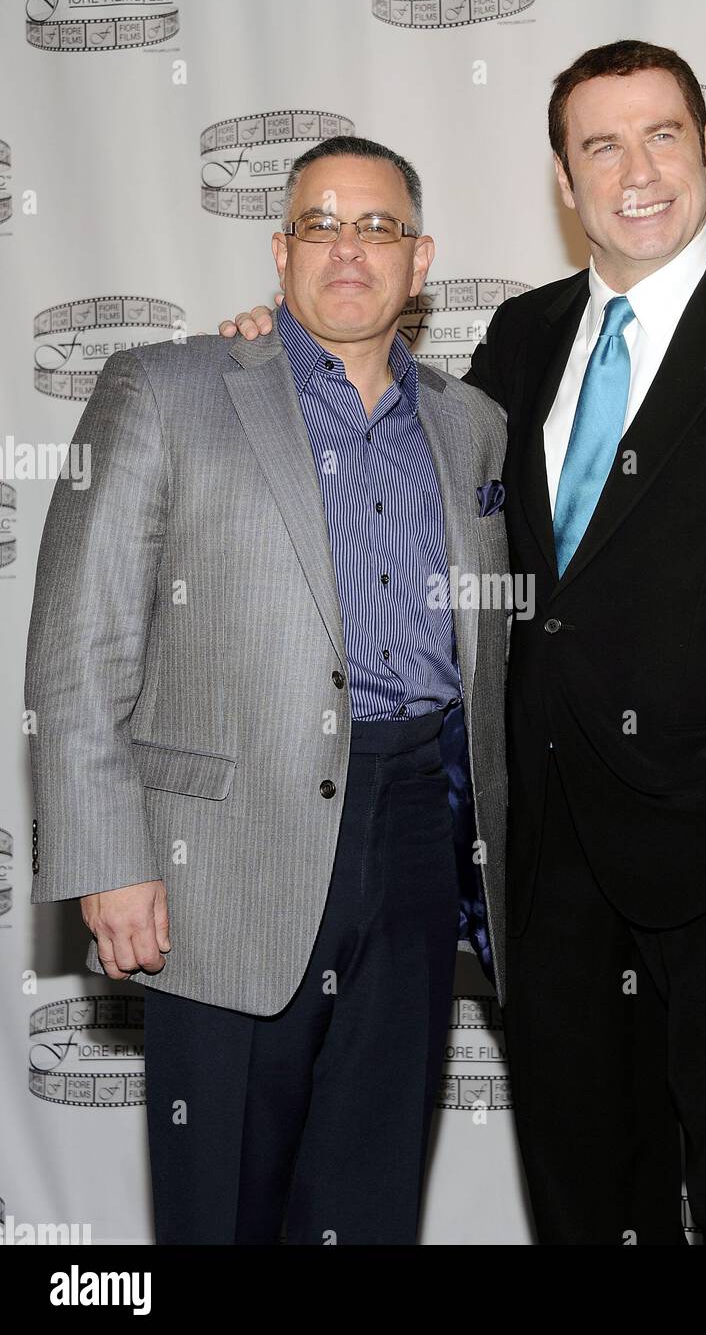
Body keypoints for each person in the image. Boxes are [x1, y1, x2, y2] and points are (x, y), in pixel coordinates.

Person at [219, 42, 706, 1245]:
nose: (635, 169)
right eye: (599, 144)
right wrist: (284, 343)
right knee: (583, 1205)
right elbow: (408, 457)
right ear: (564, 180)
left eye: (661, 134)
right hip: (545, 875)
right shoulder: (521, 338)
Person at [26, 136, 509, 1245]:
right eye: (322, 224)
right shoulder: (164, 387)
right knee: (221, 1202)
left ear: (419, 259)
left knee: (369, 1193)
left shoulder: (468, 421)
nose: (350, 247)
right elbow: (77, 641)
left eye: (377, 227)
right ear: (280, 250)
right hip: (218, 857)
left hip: (416, 839)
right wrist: (109, 858)